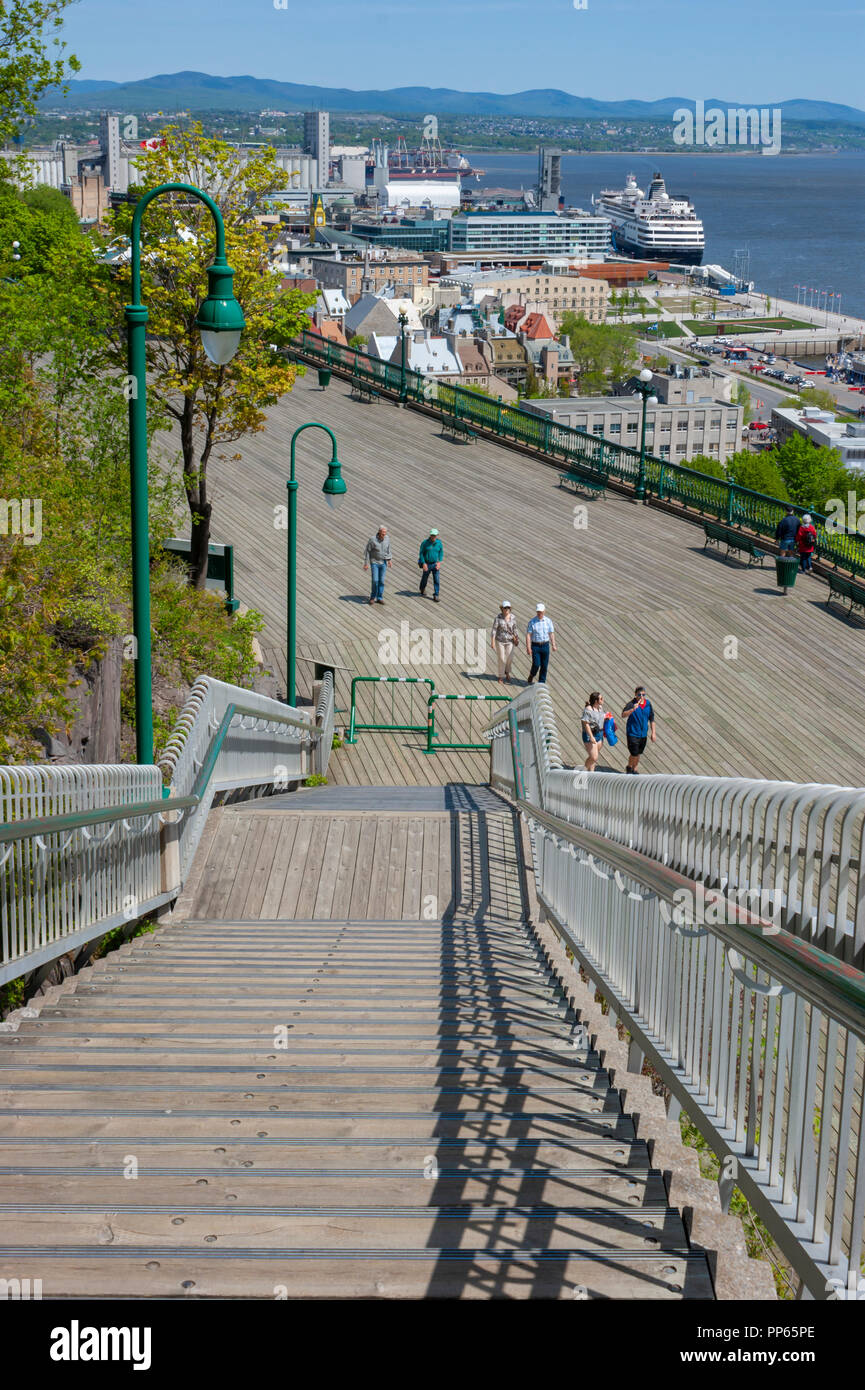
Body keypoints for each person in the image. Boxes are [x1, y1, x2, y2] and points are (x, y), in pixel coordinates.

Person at [621, 685, 656, 775]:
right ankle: (630, 767)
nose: (641, 697)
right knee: (634, 753)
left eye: (643, 695)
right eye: (639, 694)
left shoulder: (648, 704)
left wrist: (653, 733)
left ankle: (634, 768)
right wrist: (632, 709)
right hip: (632, 733)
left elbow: (652, 719)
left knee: (639, 753)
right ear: (635, 695)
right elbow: (623, 714)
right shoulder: (631, 704)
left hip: (643, 734)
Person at [525, 603, 556, 684]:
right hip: (535, 646)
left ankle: (541, 682)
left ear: (544, 611)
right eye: (538, 612)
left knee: (544, 665)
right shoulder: (532, 622)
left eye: (541, 612)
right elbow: (528, 635)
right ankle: (532, 674)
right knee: (536, 664)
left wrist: (553, 644)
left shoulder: (548, 621)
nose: (539, 613)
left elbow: (551, 633)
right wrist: (528, 647)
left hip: (545, 645)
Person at [363, 525, 392, 605]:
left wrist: (389, 560)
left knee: (381, 581)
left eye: (385, 533)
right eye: (383, 533)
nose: (384, 535)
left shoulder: (387, 539)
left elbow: (388, 549)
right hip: (374, 562)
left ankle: (379, 597)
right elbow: (367, 551)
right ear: (379, 532)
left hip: (383, 563)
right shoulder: (373, 540)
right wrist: (366, 563)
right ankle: (372, 597)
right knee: (375, 580)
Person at [491, 601, 518, 684]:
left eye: (508, 608)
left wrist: (516, 639)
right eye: (505, 608)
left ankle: (507, 672)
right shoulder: (498, 618)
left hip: (510, 641)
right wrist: (492, 642)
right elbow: (494, 630)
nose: (506, 609)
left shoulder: (513, 618)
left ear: (510, 609)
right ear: (501, 608)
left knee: (509, 658)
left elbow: (515, 629)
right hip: (500, 641)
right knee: (502, 659)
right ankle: (501, 676)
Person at [581, 692, 608, 772]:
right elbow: (586, 724)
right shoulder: (588, 710)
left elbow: (600, 718)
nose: (603, 700)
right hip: (590, 735)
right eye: (601, 698)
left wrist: (607, 718)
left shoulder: (600, 707)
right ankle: (583, 771)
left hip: (599, 734)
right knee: (594, 757)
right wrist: (591, 737)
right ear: (596, 701)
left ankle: (591, 773)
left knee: (594, 757)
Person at [418, 528, 443, 602]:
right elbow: (421, 553)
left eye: (435, 535)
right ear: (430, 535)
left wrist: (439, 562)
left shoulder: (439, 543)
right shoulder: (425, 543)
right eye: (432, 535)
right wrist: (424, 563)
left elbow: (441, 552)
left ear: (437, 535)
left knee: (437, 580)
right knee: (424, 578)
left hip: (435, 564)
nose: (433, 537)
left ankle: (436, 594)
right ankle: (422, 588)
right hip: (427, 564)